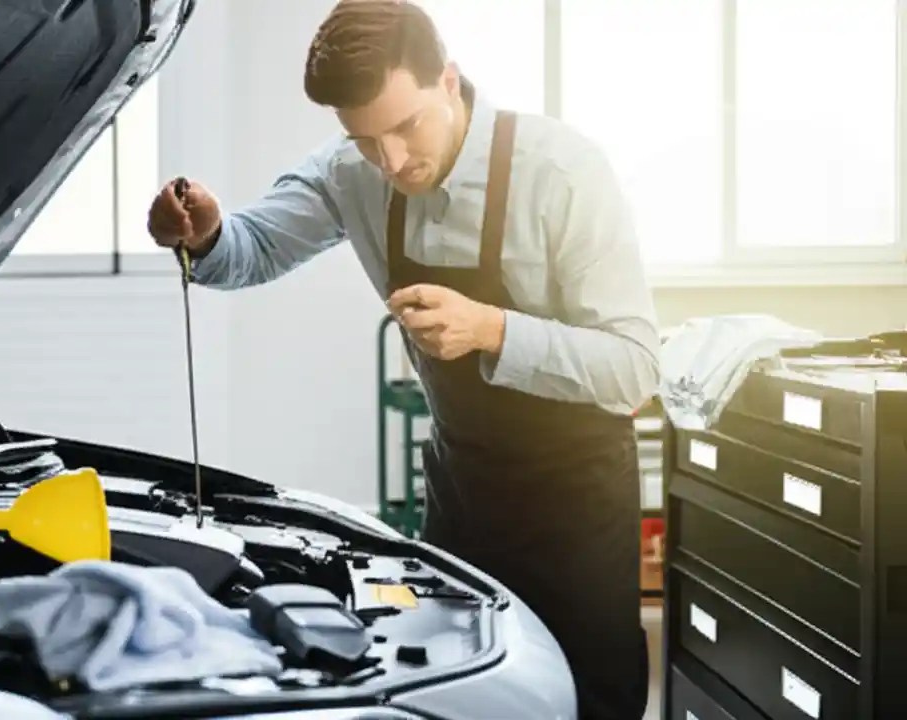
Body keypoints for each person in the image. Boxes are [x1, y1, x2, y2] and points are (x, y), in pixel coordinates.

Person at [147, 1, 659, 717]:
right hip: (463, 491)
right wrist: (201, 234)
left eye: (406, 126)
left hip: (576, 506)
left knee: (588, 699)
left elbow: (634, 367)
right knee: (457, 694)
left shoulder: (563, 172)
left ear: (448, 81)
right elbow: (250, 249)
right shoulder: (351, 174)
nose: (391, 160)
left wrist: (493, 330)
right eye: (364, 140)